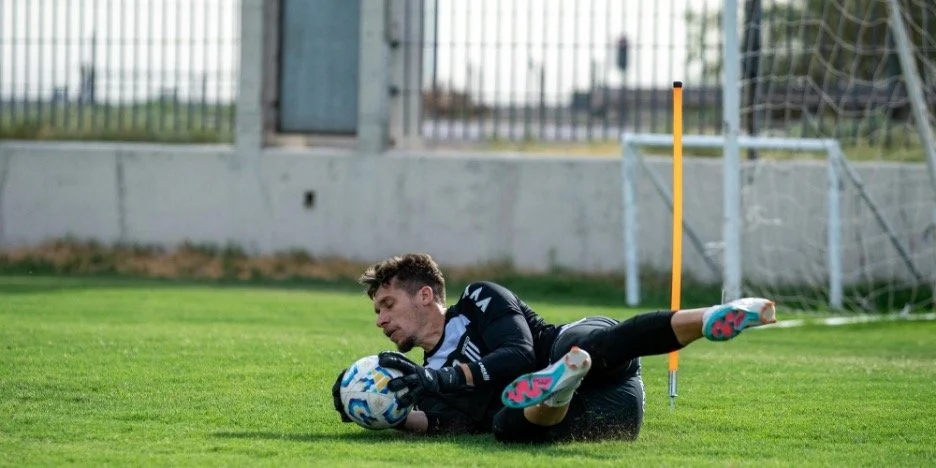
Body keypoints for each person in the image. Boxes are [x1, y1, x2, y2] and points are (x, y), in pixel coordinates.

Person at [331, 253, 776, 443]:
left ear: (425, 295)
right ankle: (555, 393)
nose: (381, 320)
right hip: (602, 419)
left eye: (387, 304)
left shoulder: (478, 300)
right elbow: (449, 425)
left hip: (601, 369)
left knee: (582, 346)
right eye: (377, 312)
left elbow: (519, 354)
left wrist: (440, 376)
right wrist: (374, 409)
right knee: (504, 426)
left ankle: (714, 317)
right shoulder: (426, 381)